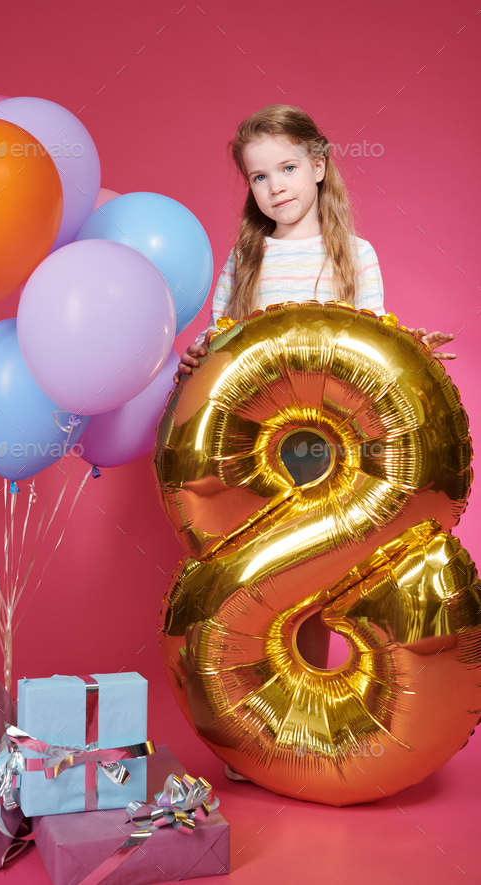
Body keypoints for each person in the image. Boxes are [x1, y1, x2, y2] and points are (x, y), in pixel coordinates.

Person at [172, 104, 456, 780]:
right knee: (263, 579)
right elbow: (221, 342)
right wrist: (194, 357)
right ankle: (251, 719)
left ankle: (301, 714)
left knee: (321, 578)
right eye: (259, 176)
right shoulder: (247, 255)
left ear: (321, 166)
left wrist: (413, 349)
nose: (276, 187)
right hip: (259, 453)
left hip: (336, 447)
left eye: (289, 168)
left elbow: (374, 339)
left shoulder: (353, 254)